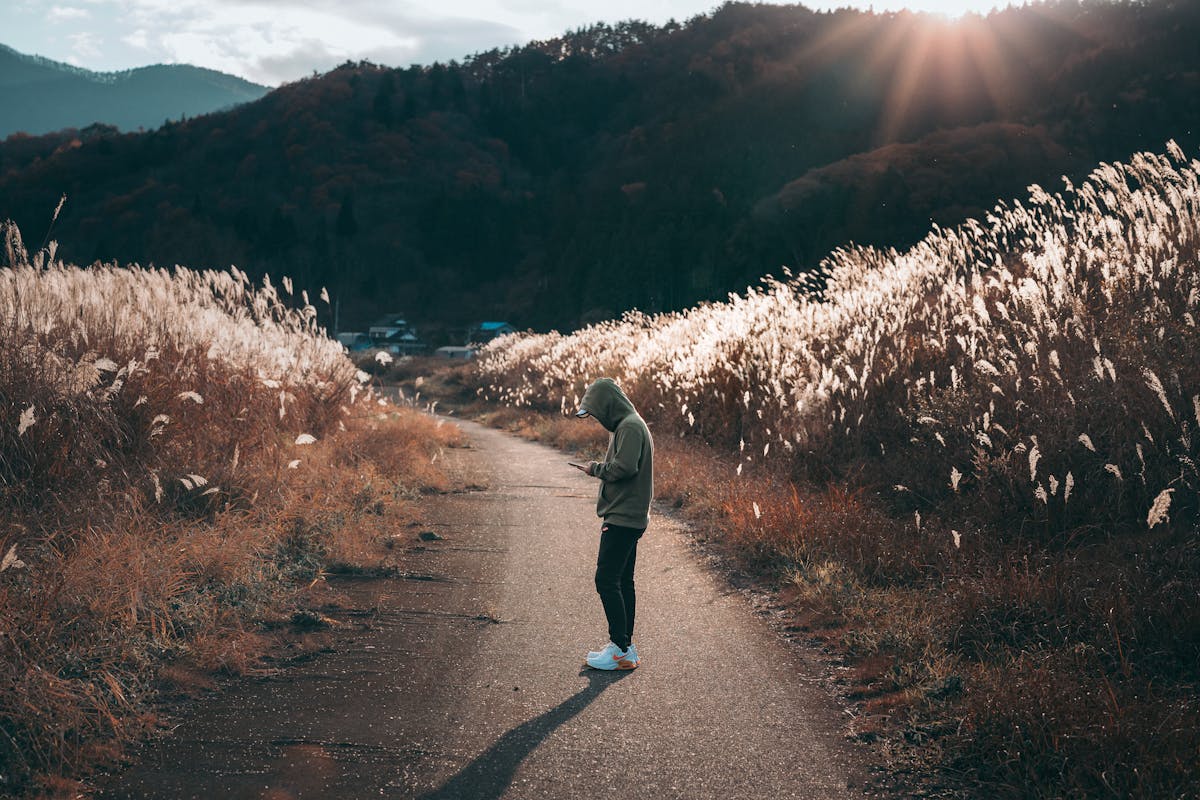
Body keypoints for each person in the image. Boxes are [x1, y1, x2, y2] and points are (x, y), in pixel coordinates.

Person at [571, 378, 654, 671]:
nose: (597, 419)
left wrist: (595, 469)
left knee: (605, 580)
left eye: (596, 412)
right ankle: (624, 647)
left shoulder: (630, 426)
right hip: (628, 516)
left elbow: (625, 467)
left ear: (608, 405)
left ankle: (620, 647)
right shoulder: (628, 424)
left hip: (623, 517)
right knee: (622, 580)